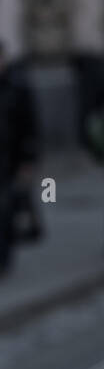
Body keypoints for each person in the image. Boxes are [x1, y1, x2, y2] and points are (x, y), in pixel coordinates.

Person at [0, 43, 40, 276]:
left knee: (5, 212)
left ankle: (3, 258)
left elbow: (30, 127)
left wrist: (28, 161)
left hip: (9, 162)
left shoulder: (17, 89)